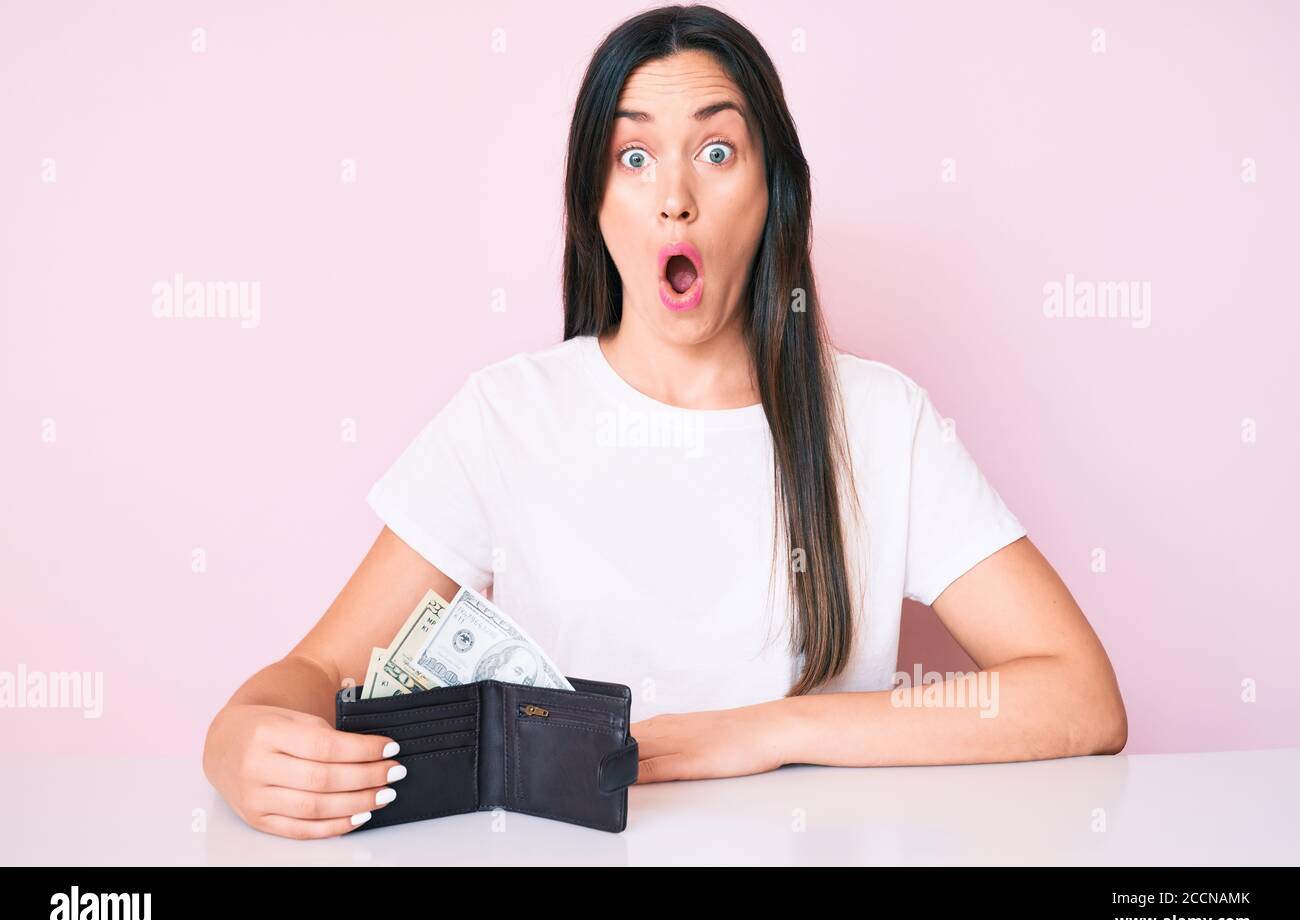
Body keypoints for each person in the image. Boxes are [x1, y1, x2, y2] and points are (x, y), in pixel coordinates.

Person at [203, 4, 1126, 840]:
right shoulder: (506, 417)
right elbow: (314, 670)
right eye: (632, 157)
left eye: (718, 152)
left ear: (776, 194)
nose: (673, 194)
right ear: (594, 203)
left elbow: (1081, 697)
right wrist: (235, 740)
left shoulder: (883, 422)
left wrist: (761, 733)